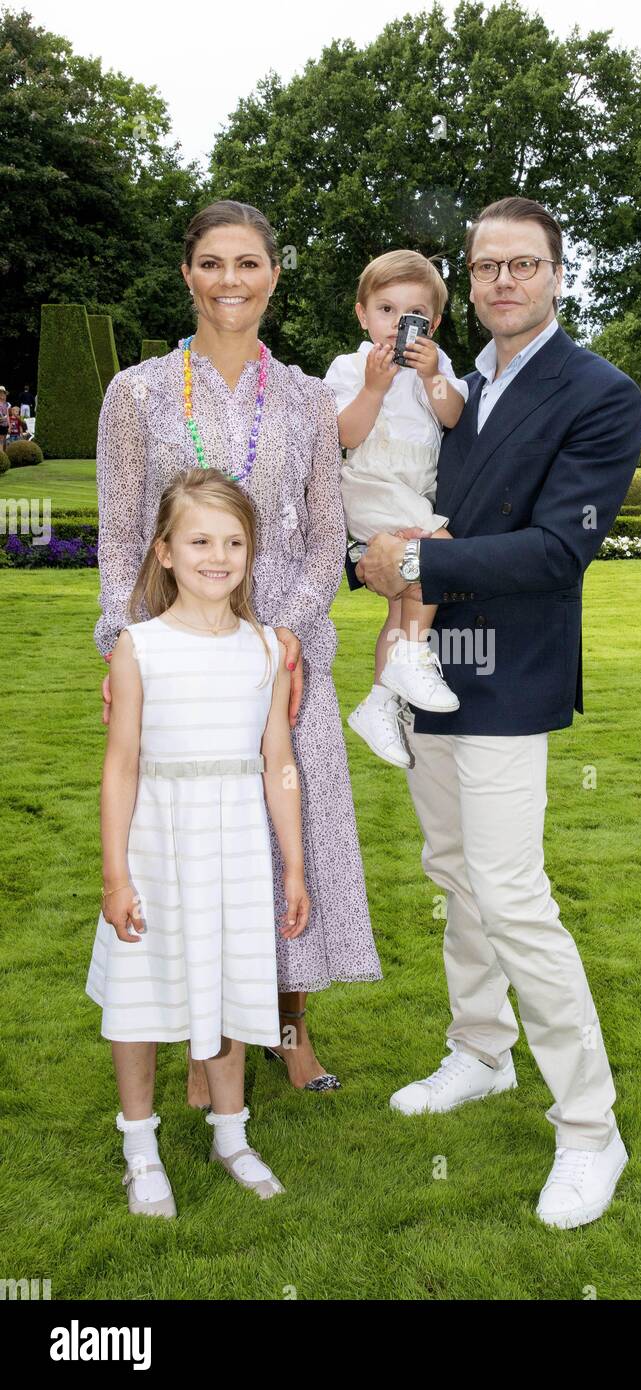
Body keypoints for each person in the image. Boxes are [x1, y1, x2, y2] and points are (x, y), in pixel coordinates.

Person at [356, 196, 641, 1229]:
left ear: (559, 274)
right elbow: (387, 491)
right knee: (453, 874)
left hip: (511, 677)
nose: (504, 282)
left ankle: (590, 1128)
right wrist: (371, 556)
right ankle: (480, 1050)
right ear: (467, 280)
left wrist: (415, 560)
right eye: (487, 267)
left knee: (513, 891)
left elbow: (558, 551)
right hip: (428, 665)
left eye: (525, 264)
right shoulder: (451, 382)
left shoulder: (600, 393)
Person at [95, 200, 381, 1104]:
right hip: (175, 658)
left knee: (281, 841)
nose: (230, 281)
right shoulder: (135, 393)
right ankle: (198, 1035)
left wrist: (283, 639)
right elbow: (118, 538)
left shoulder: (305, 398)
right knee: (187, 845)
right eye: (212, 263)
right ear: (187, 274)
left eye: (248, 263)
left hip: (283, 658)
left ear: (273, 275)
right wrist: (121, 648)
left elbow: (323, 531)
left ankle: (290, 1029)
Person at [86, 468, 309, 1216]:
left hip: (237, 845)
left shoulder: (265, 650)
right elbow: (119, 766)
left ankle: (231, 1134)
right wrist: (116, 875)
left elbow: (279, 762)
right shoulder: (138, 647)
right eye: (201, 540)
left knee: (232, 979)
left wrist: (296, 865)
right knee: (143, 992)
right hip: (157, 843)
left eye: (235, 541)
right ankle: (139, 1146)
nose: (220, 555)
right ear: (166, 552)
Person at [324, 251, 468, 768]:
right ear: (363, 315)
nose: (397, 324)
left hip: (413, 496)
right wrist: (374, 387)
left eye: (413, 315)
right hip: (368, 485)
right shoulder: (349, 366)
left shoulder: (438, 364)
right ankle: (412, 658)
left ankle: (380, 702)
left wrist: (432, 377)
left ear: (431, 323)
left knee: (404, 598)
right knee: (443, 555)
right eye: (385, 309)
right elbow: (344, 435)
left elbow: (453, 415)